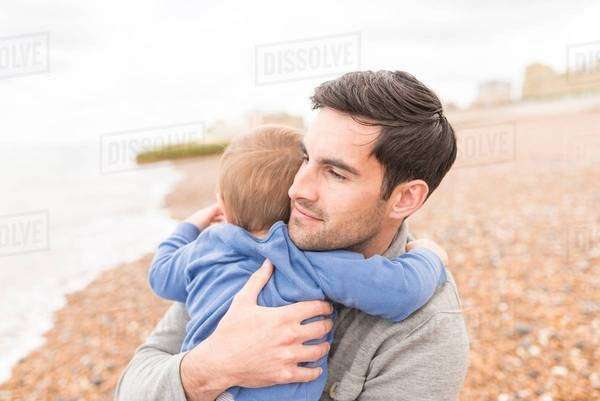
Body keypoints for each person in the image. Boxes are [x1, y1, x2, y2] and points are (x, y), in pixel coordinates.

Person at [115, 70, 470, 401]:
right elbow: (130, 388)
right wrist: (210, 366)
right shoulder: (256, 245)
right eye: (305, 159)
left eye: (335, 173)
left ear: (406, 198)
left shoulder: (427, 330)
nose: (297, 189)